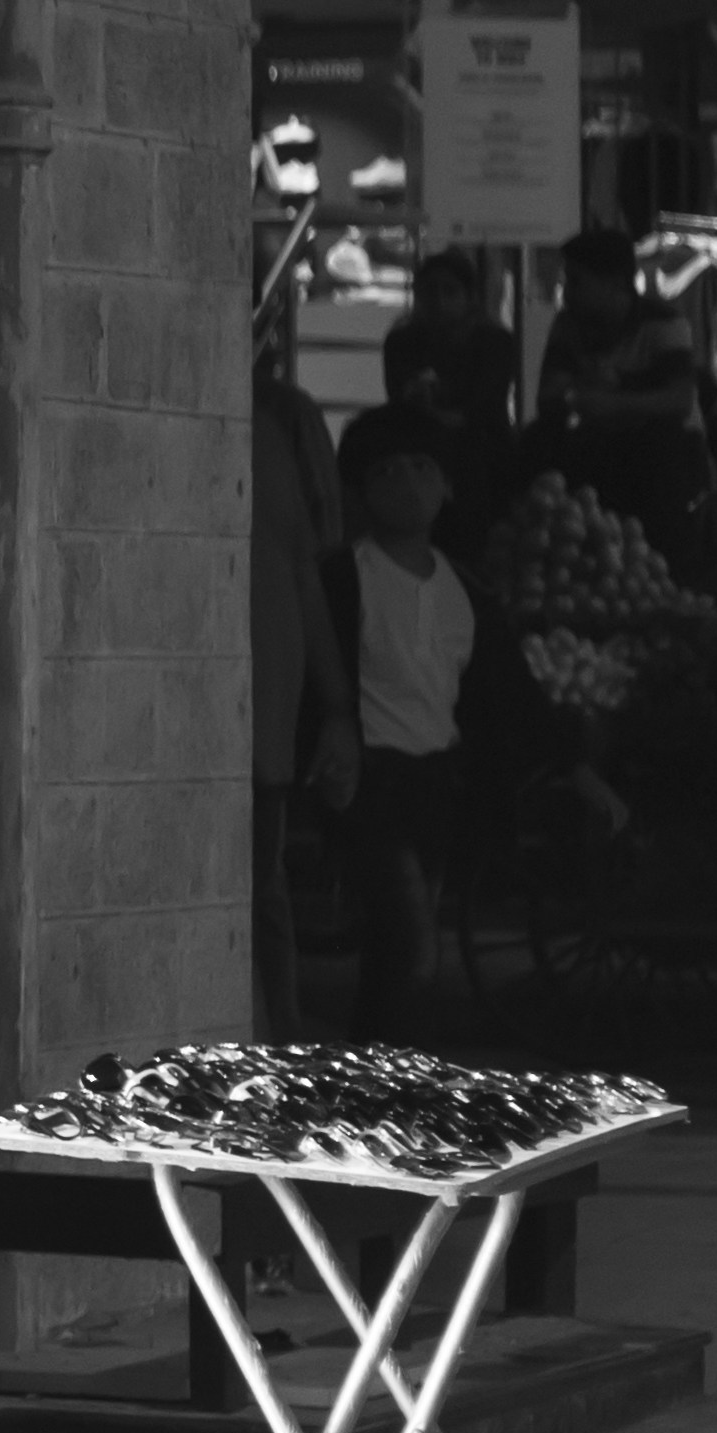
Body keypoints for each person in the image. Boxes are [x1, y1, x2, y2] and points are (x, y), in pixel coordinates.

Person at [337, 411, 481, 1031]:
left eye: (422, 467)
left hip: (436, 782)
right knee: (413, 948)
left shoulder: (461, 586)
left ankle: (373, 1072)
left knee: (395, 950)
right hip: (375, 783)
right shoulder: (347, 575)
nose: (407, 483)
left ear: (446, 484)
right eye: (387, 471)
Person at [251, 337, 357, 1037]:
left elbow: (308, 572)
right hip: (251, 706)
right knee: (260, 891)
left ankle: (280, 1036)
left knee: (263, 889)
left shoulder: (278, 421)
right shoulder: (270, 423)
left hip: (265, 708)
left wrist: (337, 710)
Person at [542, 223, 712, 547]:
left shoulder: (664, 323)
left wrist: (610, 400)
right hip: (603, 445)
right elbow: (549, 396)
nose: (566, 292)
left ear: (617, 283)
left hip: (664, 452)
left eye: (576, 281)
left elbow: (679, 400)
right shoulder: (568, 325)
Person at [376, 244, 528, 527]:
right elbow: (398, 399)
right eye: (429, 292)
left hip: (481, 445)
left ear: (469, 297)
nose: (439, 301)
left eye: (449, 291)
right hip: (419, 442)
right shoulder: (402, 342)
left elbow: (485, 406)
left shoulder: (494, 342)